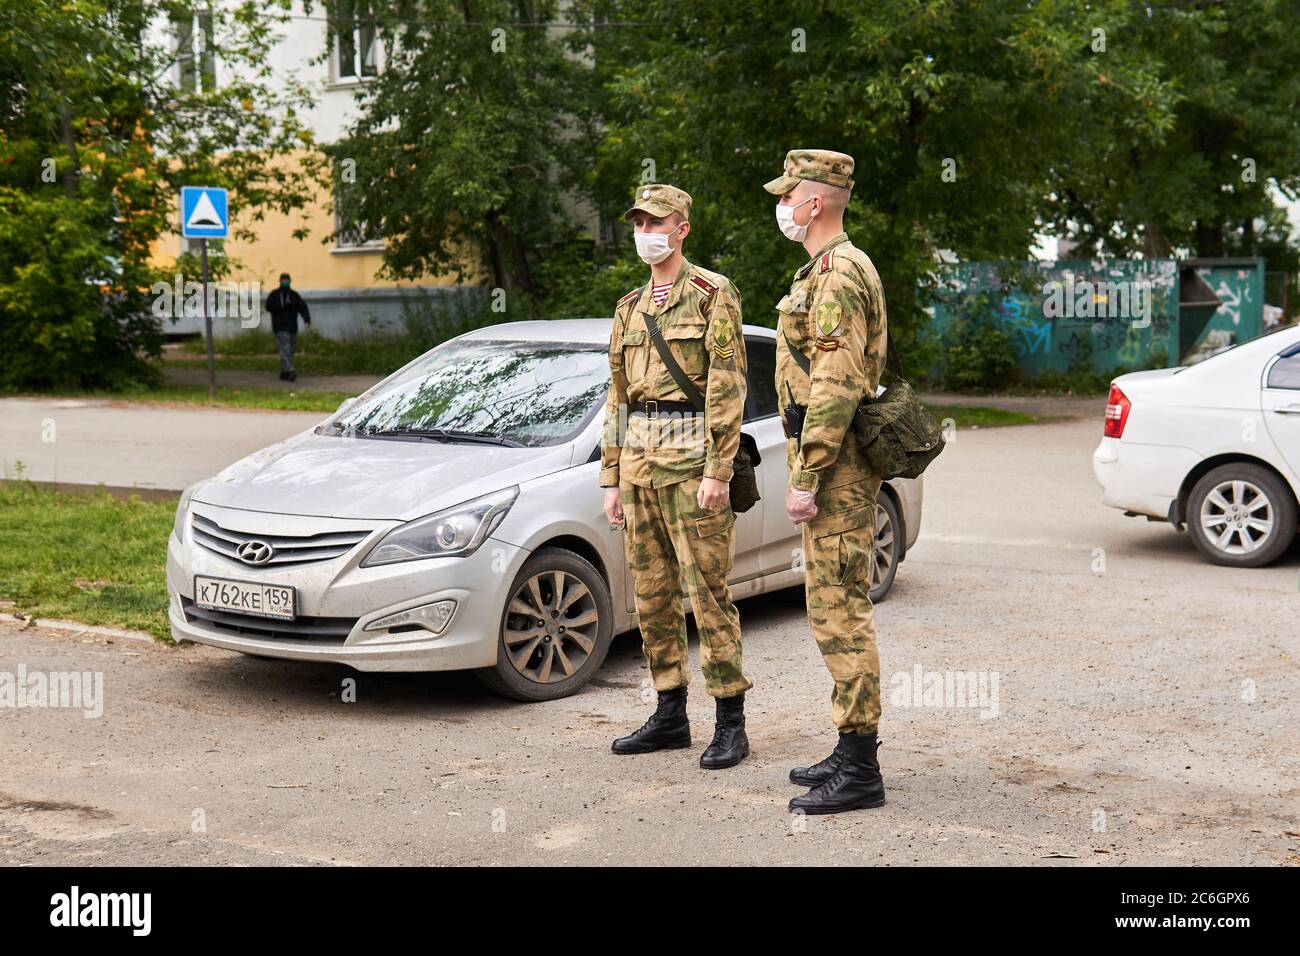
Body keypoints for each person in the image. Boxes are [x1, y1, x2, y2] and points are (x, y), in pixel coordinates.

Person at [599, 183, 752, 769]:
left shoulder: (713, 294)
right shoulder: (628, 308)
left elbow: (727, 384)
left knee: (708, 594)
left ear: (682, 228)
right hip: (639, 464)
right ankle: (669, 714)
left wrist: (719, 467)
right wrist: (611, 476)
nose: (646, 233)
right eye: (639, 223)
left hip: (693, 464)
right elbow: (617, 396)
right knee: (652, 594)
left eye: (656, 222)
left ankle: (729, 719)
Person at [766, 149, 891, 814]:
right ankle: (848, 747)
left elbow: (838, 383)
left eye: (789, 196)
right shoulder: (829, 266)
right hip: (832, 459)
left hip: (836, 467)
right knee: (831, 608)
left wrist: (808, 473)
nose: (781, 207)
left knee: (840, 613)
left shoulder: (839, 272)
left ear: (814, 203)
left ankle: (861, 768)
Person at [264, 272, 311, 381]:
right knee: (285, 348)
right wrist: (281, 306)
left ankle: (284, 372)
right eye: (283, 280)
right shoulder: (275, 294)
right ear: (280, 281)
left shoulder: (294, 295)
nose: (285, 282)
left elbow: (302, 307)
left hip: (292, 327)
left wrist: (306, 318)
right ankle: (290, 371)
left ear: (290, 281)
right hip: (280, 327)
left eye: (287, 280)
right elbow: (268, 306)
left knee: (290, 350)